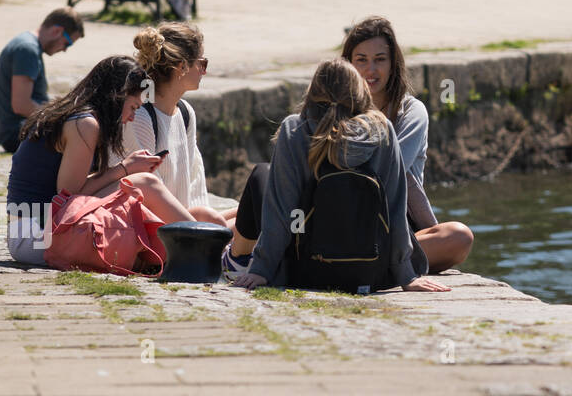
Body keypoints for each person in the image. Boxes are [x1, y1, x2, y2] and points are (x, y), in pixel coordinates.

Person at [229, 59, 448, 292]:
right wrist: (406, 276)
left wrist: (261, 270)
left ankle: (234, 257)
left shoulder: (295, 129)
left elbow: (282, 212)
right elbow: (394, 210)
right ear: (360, 91)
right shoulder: (382, 129)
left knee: (262, 174)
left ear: (312, 91)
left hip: (306, 271)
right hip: (373, 273)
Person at [5, 56, 199, 266]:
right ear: (117, 97)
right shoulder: (85, 125)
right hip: (34, 235)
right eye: (133, 107)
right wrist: (124, 169)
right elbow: (68, 195)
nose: (133, 116)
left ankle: (195, 250)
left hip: (35, 228)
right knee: (145, 183)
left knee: (142, 196)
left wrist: (125, 169)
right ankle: (207, 248)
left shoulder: (75, 116)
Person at [341, 16, 473, 273]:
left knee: (459, 237)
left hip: (392, 227)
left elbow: (390, 168)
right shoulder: (335, 110)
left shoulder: (411, 112)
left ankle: (368, 260)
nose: (371, 70)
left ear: (393, 64)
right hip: (339, 216)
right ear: (347, 65)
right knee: (269, 182)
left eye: (380, 59)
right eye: (361, 60)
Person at [124, 22, 232, 228]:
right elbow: (146, 200)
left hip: (184, 222)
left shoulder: (185, 112)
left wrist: (205, 221)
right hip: (154, 232)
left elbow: (195, 181)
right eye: (202, 63)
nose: (204, 71)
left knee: (254, 213)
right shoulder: (141, 117)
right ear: (182, 67)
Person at [0, 8, 84, 153]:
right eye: (67, 43)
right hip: (17, 133)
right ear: (57, 31)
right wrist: (58, 118)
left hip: (21, 129)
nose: (65, 50)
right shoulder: (27, 50)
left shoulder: (27, 45)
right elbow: (21, 105)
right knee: (84, 136)